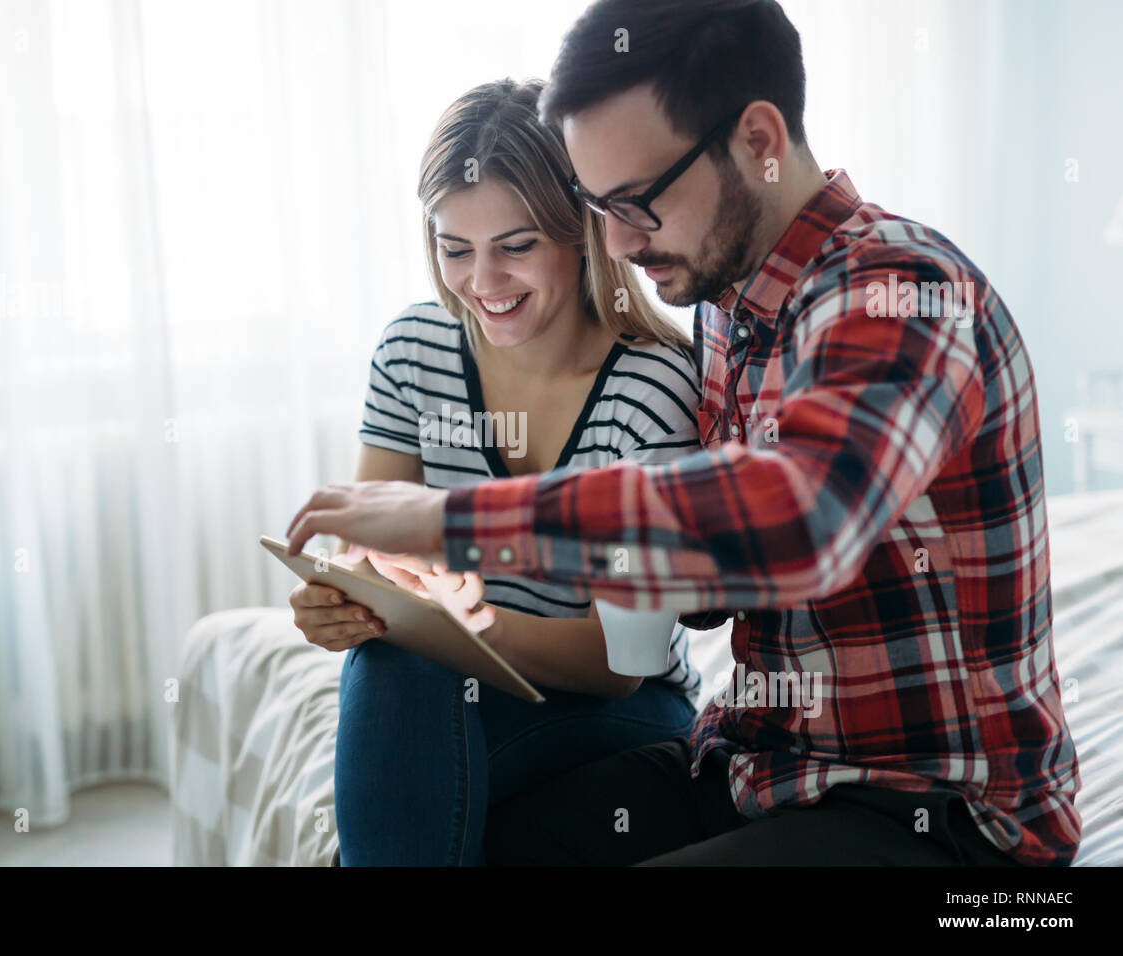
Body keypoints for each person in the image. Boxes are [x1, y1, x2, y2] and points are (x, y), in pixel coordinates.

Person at [287, 0, 1081, 866]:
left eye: (638, 201)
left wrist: (444, 525)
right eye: (599, 206)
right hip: (754, 768)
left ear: (759, 140)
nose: (618, 242)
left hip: (932, 812)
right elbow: (717, 582)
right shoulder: (727, 309)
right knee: (456, 838)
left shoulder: (901, 292)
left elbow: (802, 523)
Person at [289, 78, 713, 866]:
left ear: (579, 233)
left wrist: (445, 628)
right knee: (387, 667)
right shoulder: (414, 350)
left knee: (401, 669)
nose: (482, 284)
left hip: (621, 703)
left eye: (515, 247)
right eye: (455, 249)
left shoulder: (650, 388)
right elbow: (372, 556)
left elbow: (620, 665)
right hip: (454, 683)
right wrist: (343, 608)